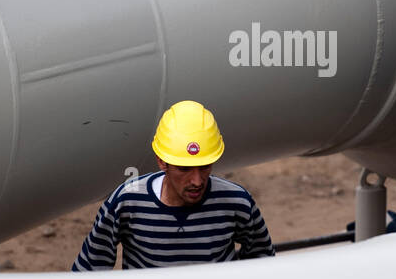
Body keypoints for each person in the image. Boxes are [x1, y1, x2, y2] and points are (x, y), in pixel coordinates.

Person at [72, 100, 275, 270]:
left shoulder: (236, 202)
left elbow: (263, 264)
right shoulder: (127, 201)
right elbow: (89, 271)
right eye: (184, 169)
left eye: (204, 167)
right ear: (162, 162)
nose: (197, 181)